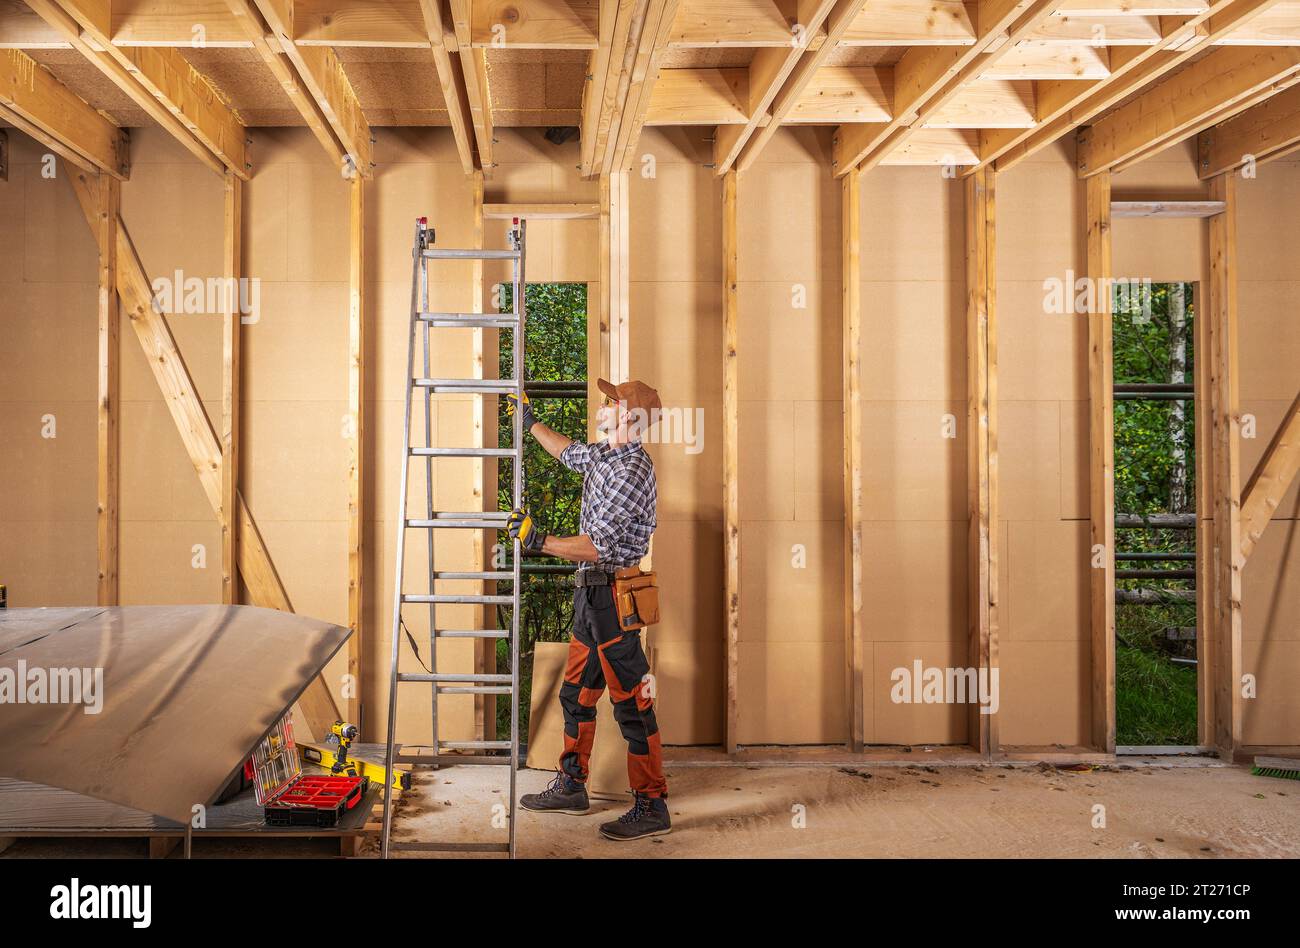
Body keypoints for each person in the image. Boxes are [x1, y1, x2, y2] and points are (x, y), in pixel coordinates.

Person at [506, 378, 669, 841]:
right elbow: (567, 452)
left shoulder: (631, 471)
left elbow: (598, 546)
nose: (601, 406)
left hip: (614, 599)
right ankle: (572, 786)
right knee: (576, 693)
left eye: (611, 403)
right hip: (588, 597)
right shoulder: (604, 457)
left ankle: (652, 804)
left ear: (630, 419)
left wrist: (539, 542)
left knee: (633, 704)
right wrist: (529, 420)